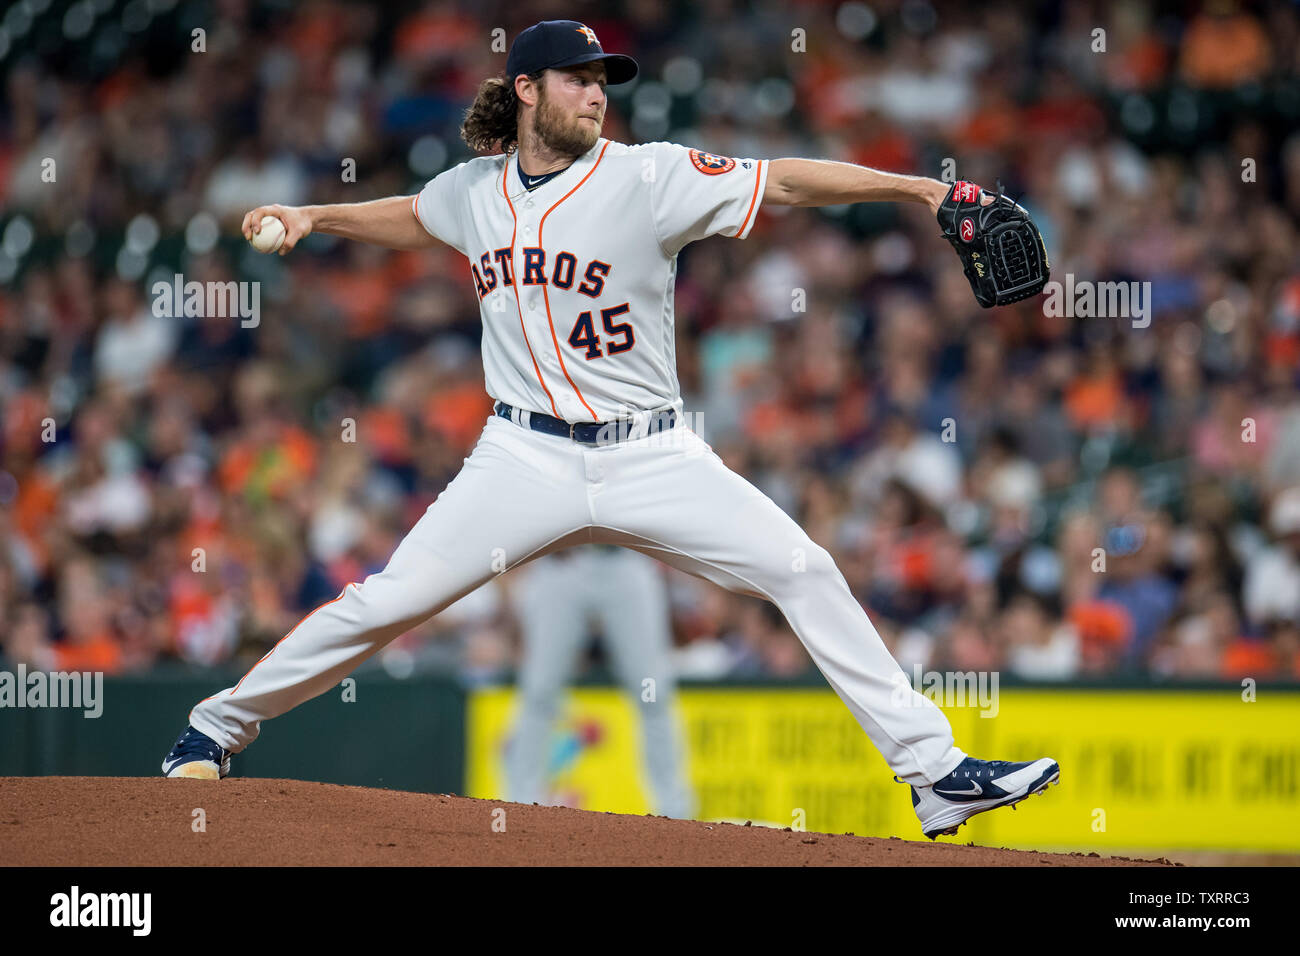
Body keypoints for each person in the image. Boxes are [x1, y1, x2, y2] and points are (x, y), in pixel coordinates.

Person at [162, 19, 1058, 840]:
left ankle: (935, 773)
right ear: (525, 89)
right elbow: (413, 217)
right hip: (523, 453)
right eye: (578, 78)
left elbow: (782, 179)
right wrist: (315, 216)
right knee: (387, 600)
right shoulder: (473, 192)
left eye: (603, 80)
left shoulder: (647, 175)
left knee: (804, 569)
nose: (597, 94)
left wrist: (922, 190)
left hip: (651, 452)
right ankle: (215, 725)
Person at [505, 546, 693, 819]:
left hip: (624, 558)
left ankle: (675, 812)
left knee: (653, 691)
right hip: (562, 564)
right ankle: (519, 803)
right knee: (539, 690)